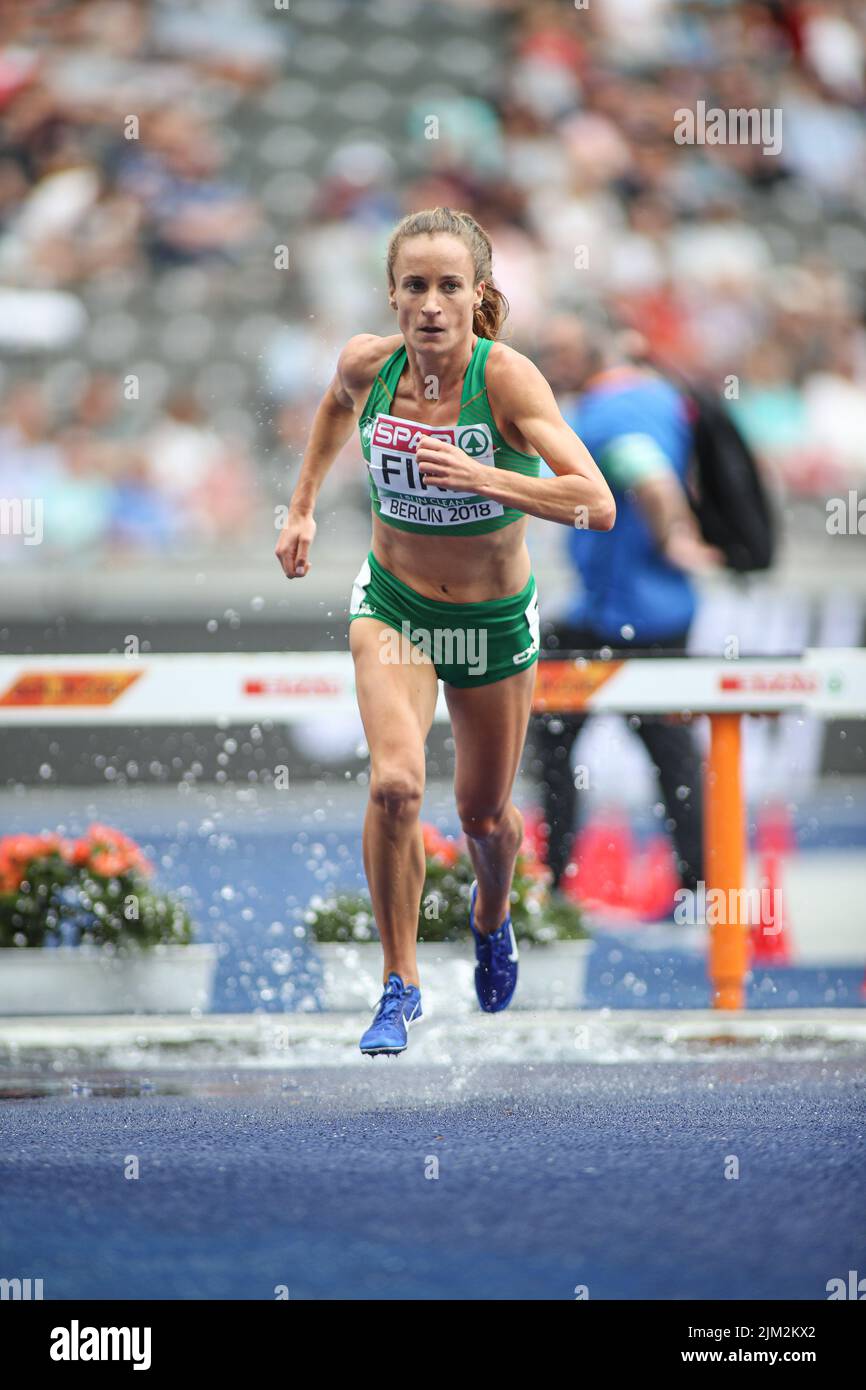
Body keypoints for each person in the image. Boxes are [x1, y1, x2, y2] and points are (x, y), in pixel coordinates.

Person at [275, 208, 614, 1055]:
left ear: (480, 295)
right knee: (395, 786)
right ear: (392, 295)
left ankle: (491, 911)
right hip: (394, 607)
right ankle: (400, 981)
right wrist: (304, 506)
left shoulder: (507, 383)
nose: (431, 304)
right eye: (416, 286)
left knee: (483, 816)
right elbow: (331, 408)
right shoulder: (367, 364)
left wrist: (487, 476)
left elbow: (595, 502)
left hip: (491, 622)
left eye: (449, 286)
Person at [530, 313, 722, 906]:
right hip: (657, 613)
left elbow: (654, 479)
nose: (554, 365)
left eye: (563, 353)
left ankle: (554, 882)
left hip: (619, 621)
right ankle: (699, 887)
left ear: (596, 353)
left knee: (556, 743)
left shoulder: (609, 411)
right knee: (672, 759)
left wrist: (673, 537)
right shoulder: (661, 396)